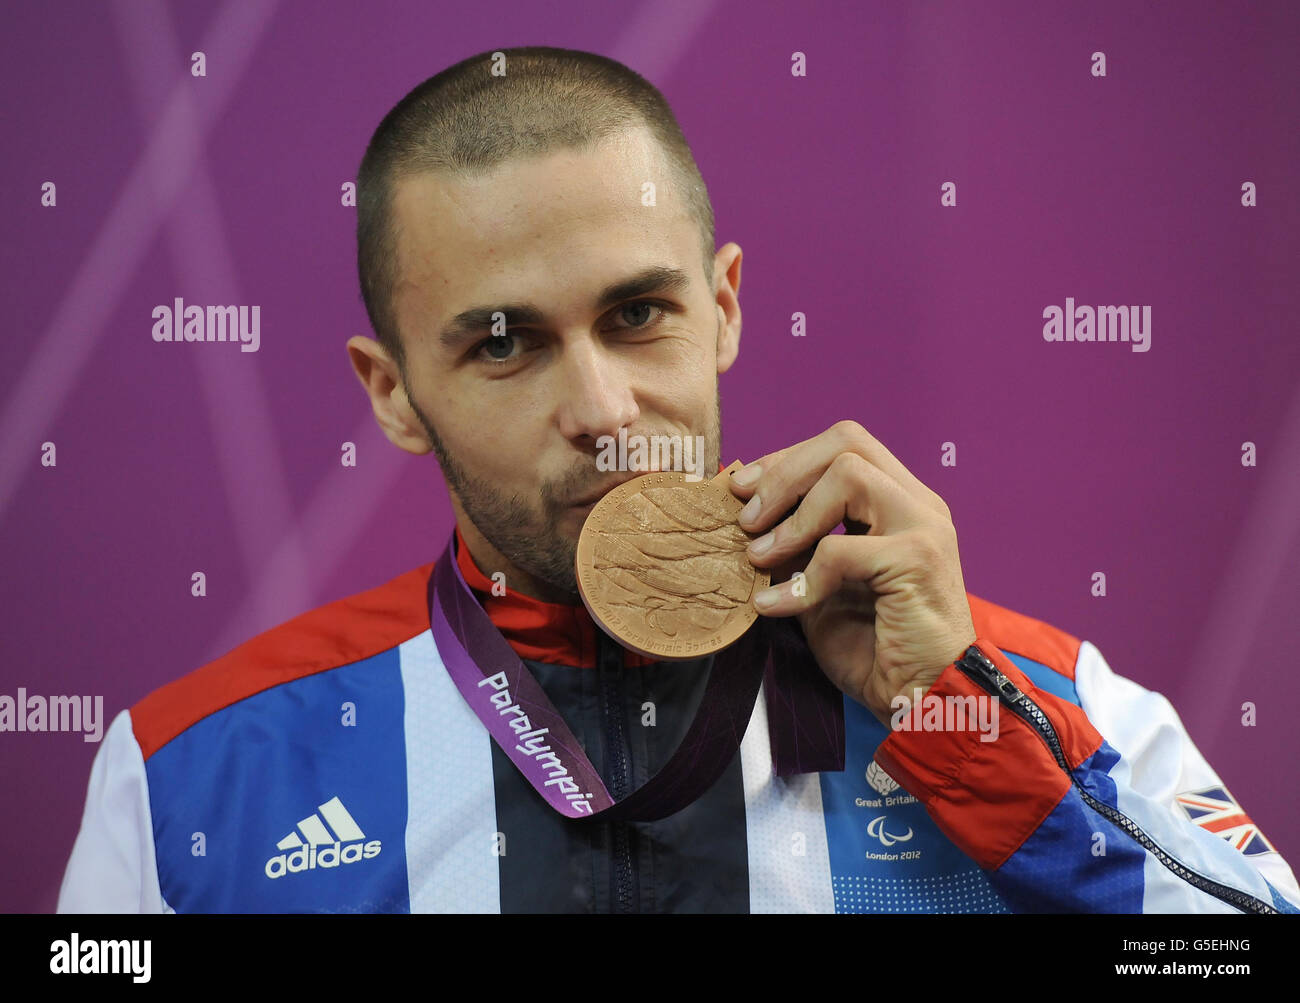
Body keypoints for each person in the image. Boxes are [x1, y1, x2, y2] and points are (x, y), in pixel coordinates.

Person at [58, 45, 1299, 914]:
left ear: (724, 310)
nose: (603, 411)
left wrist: (961, 722)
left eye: (639, 313)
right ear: (392, 393)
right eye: (502, 342)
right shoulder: (187, 777)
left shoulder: (1037, 697)